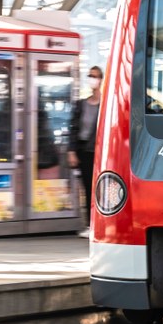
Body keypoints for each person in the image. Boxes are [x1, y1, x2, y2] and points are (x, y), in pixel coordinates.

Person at [68, 66, 103, 228]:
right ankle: (90, 224)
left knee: (100, 188)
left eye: (95, 76)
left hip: (101, 153)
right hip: (85, 153)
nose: (92, 79)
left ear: (101, 80)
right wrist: (71, 151)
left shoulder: (105, 104)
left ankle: (100, 223)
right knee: (88, 188)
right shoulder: (82, 104)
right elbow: (74, 129)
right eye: (90, 76)